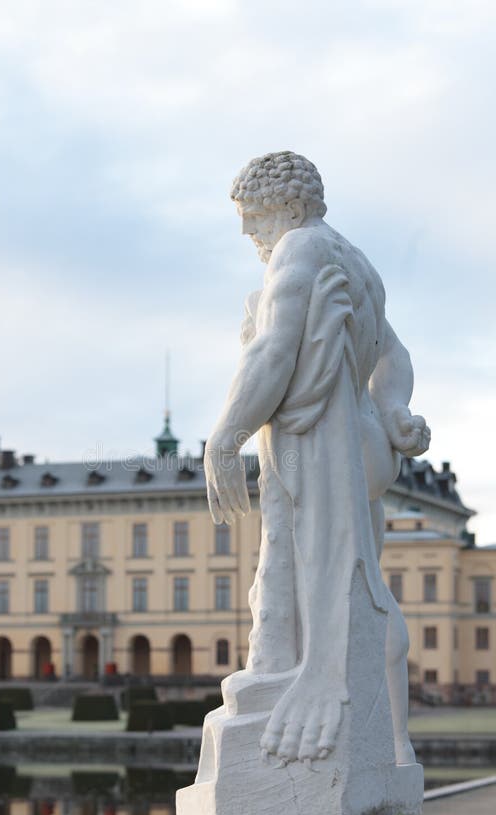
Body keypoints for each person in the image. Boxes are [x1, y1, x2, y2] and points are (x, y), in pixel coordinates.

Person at [204, 151, 430, 768]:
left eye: (255, 218)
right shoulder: (359, 262)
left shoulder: (299, 248)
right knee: (364, 580)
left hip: (319, 440)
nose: (249, 233)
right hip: (367, 444)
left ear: (294, 209)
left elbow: (275, 350)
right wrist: (394, 412)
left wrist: (228, 433)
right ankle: (395, 744)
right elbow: (393, 353)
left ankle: (306, 677)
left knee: (312, 575)